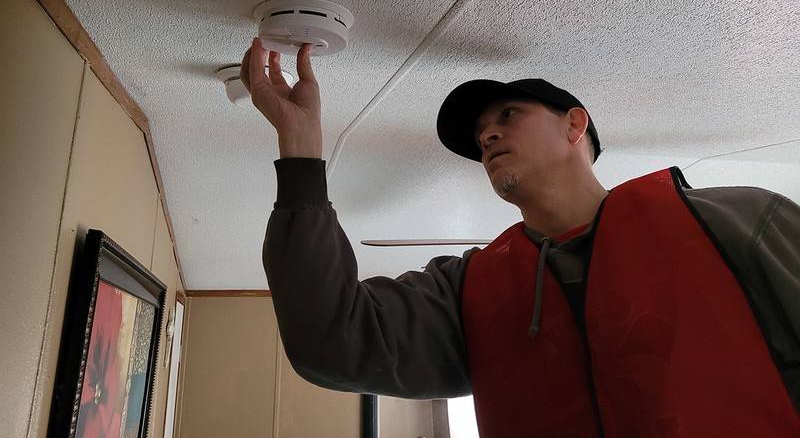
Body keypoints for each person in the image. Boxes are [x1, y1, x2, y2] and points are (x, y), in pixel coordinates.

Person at [240, 38, 800, 437]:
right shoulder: (467, 290)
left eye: (509, 114)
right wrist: (302, 149)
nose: (487, 134)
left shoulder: (740, 221)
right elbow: (331, 341)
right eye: (482, 132)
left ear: (574, 125)